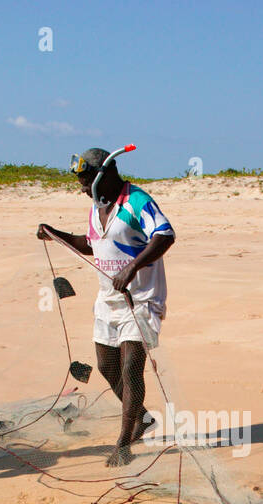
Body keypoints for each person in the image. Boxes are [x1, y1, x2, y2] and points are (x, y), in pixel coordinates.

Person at [36, 147, 176, 466]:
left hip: (140, 301)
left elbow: (165, 235)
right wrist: (54, 235)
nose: (83, 189)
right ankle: (141, 418)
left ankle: (124, 443)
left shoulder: (137, 201)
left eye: (87, 181)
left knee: (130, 369)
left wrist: (132, 268)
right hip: (107, 302)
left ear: (105, 174)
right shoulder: (97, 208)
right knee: (106, 367)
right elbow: (92, 243)